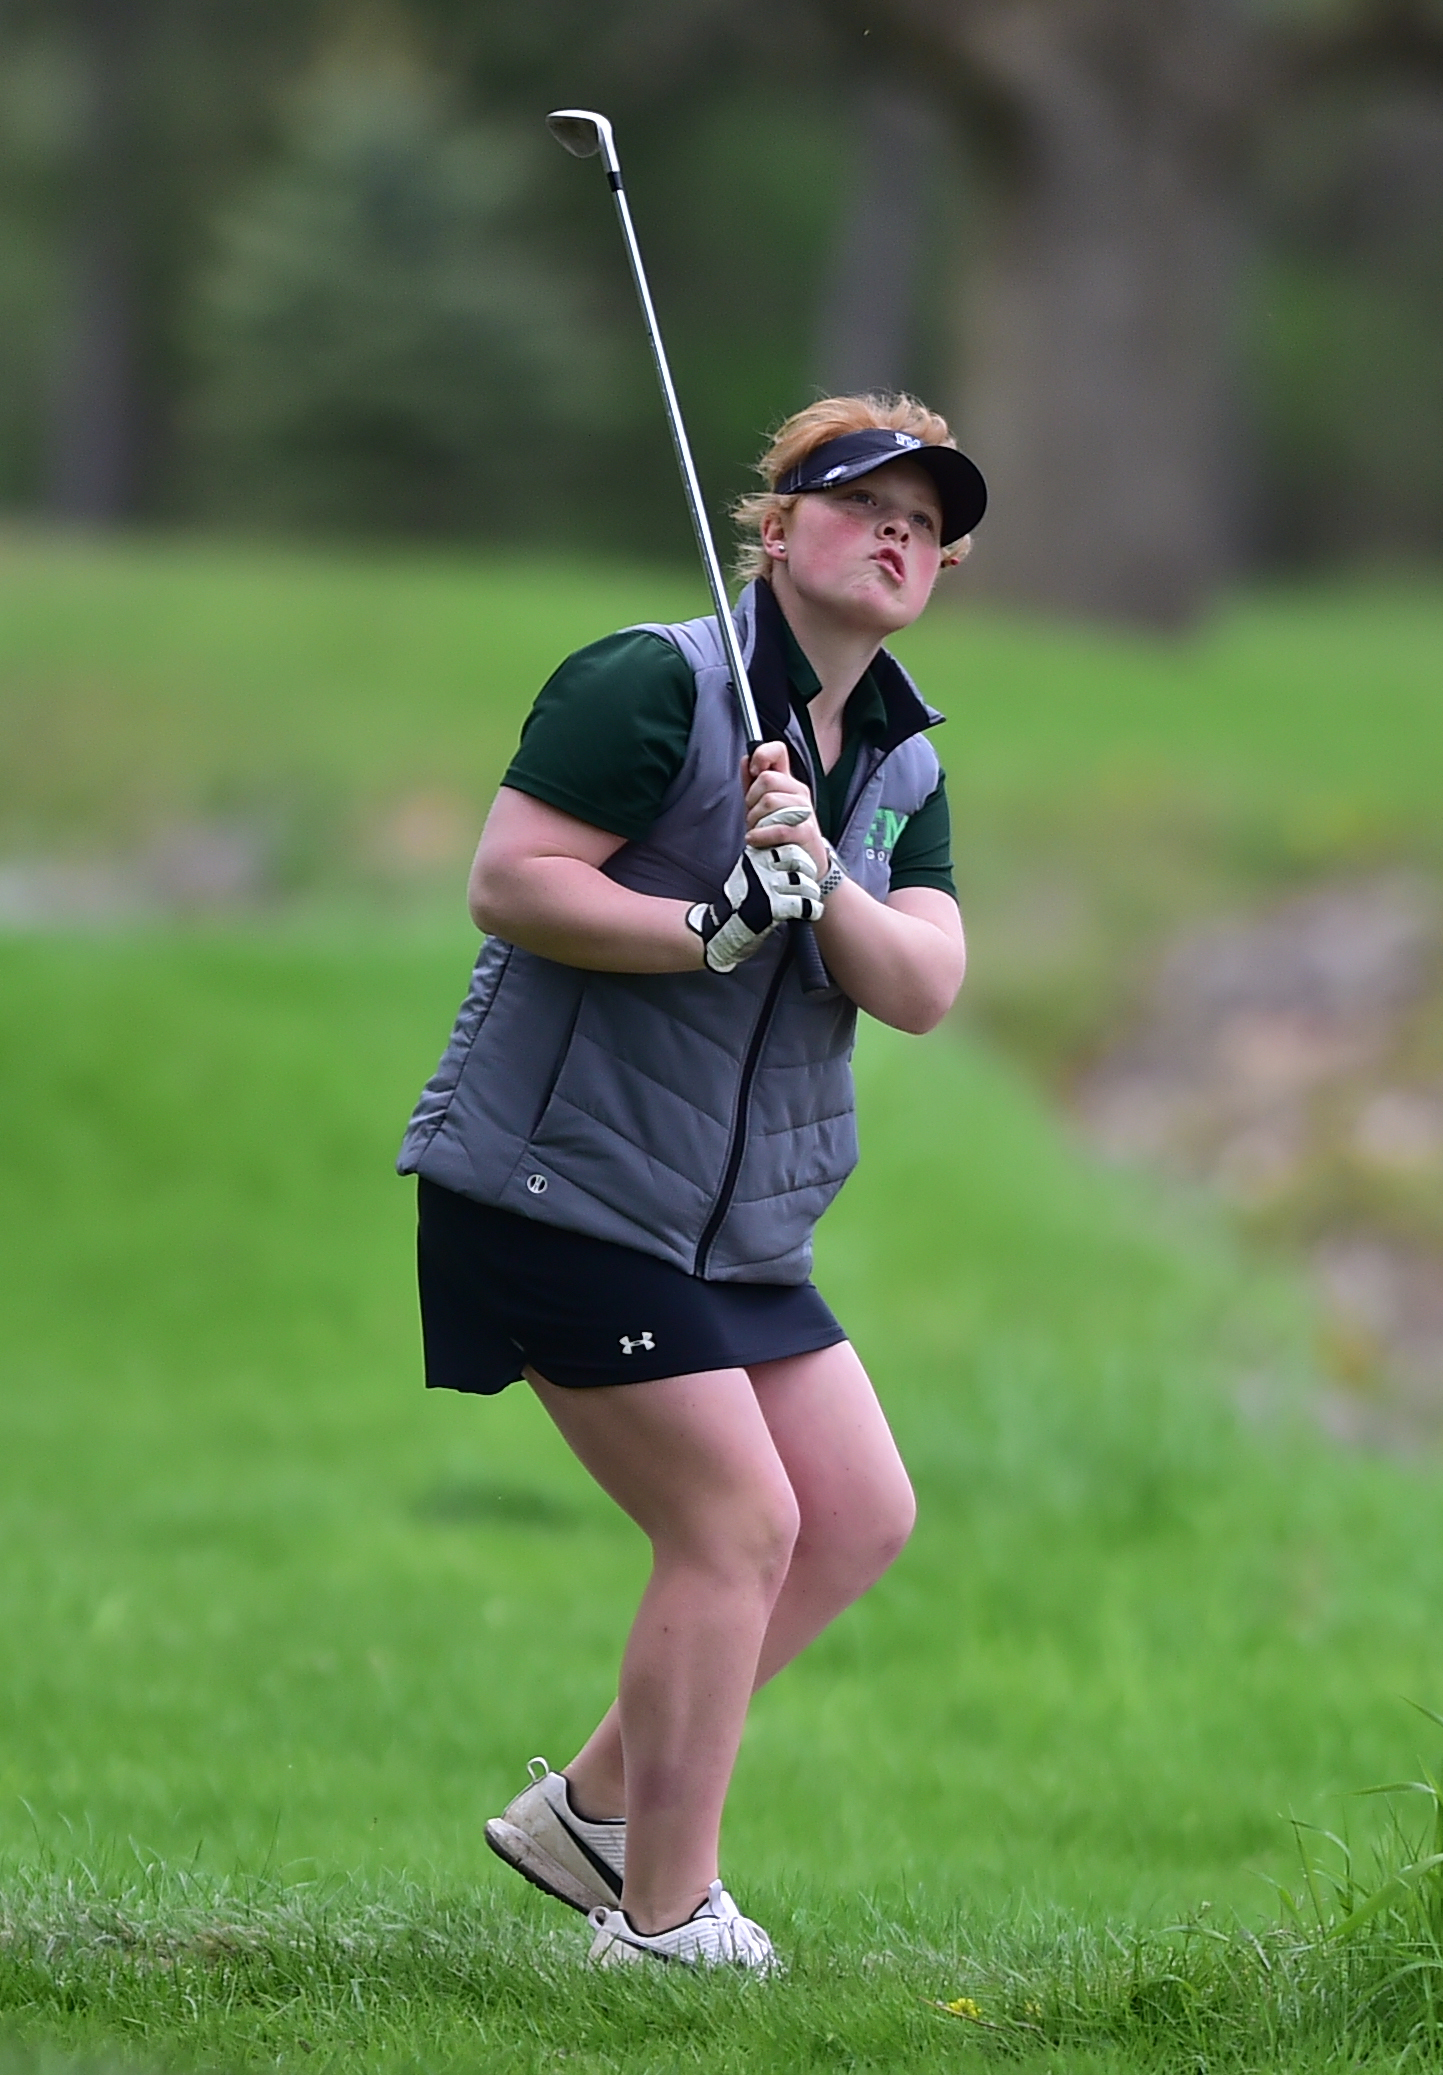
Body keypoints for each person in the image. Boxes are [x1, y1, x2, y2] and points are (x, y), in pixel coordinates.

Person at [397, 392, 985, 1970]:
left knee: (857, 1514)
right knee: (738, 1524)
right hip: (559, 1185)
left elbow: (922, 983)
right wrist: (715, 918)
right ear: (777, 530)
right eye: (864, 506)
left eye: (926, 527)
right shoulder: (653, 682)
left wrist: (820, 889)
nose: (897, 537)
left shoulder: (899, 761)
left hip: (733, 1224)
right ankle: (663, 1914)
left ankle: (592, 1809)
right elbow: (511, 883)